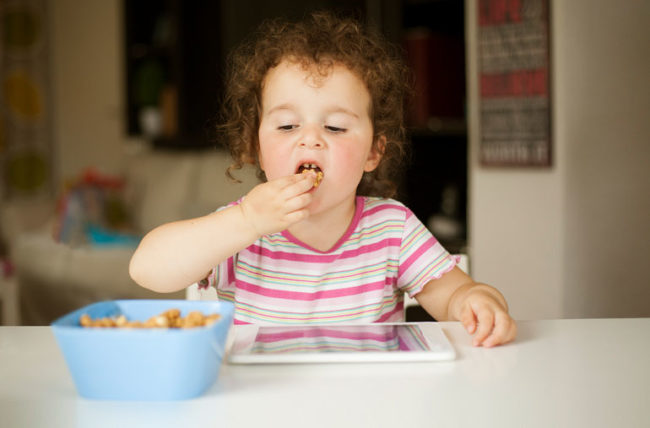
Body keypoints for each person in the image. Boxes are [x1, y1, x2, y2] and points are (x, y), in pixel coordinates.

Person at [129, 11, 516, 347]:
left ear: (372, 153)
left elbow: (452, 297)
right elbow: (146, 269)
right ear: (256, 148)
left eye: (334, 126)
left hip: (370, 396)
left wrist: (475, 300)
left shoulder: (392, 229)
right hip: (269, 398)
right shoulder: (242, 231)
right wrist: (245, 221)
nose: (310, 137)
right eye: (286, 125)